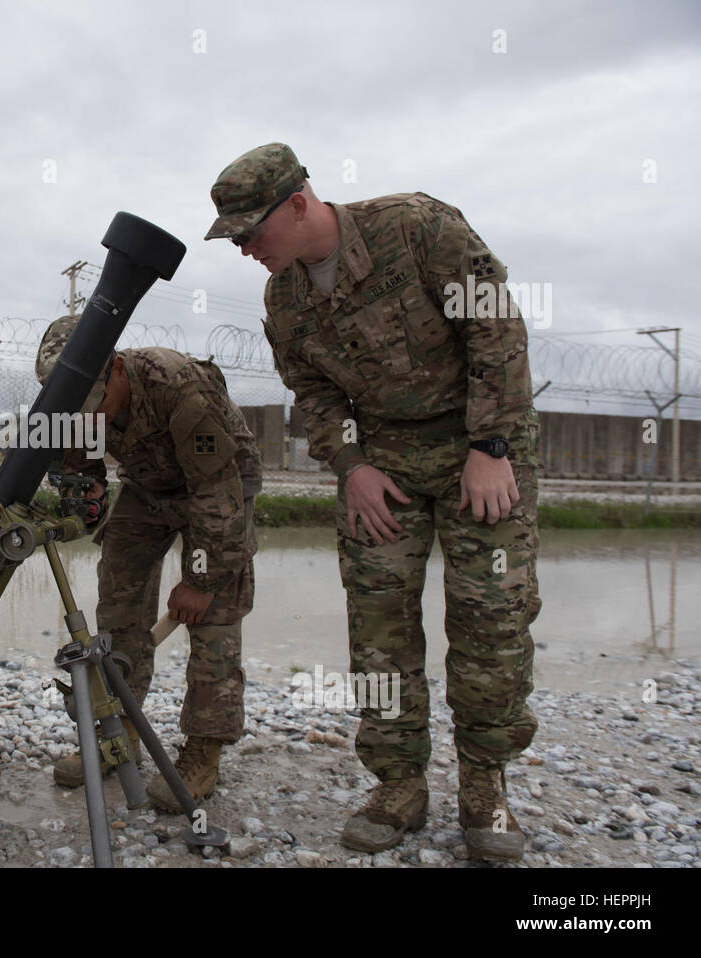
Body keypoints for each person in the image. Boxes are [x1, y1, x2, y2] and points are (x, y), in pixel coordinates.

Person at [206, 143, 541, 861]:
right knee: (380, 627)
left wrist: (491, 448)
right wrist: (352, 464)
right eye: (233, 238)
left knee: (492, 621)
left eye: (249, 232)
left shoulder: (417, 228)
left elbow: (495, 328)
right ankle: (398, 785)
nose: (244, 249)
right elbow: (316, 393)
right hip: (383, 459)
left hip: (478, 446)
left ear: (298, 203)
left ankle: (485, 785)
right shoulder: (284, 296)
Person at [36, 318, 262, 811]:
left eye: (94, 403)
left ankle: (204, 750)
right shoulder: (77, 401)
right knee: (117, 604)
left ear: (117, 369)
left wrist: (200, 580)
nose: (87, 415)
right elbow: (81, 457)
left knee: (213, 617)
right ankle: (118, 736)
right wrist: (86, 484)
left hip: (219, 486)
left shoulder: (178, 385)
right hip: (147, 486)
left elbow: (215, 492)